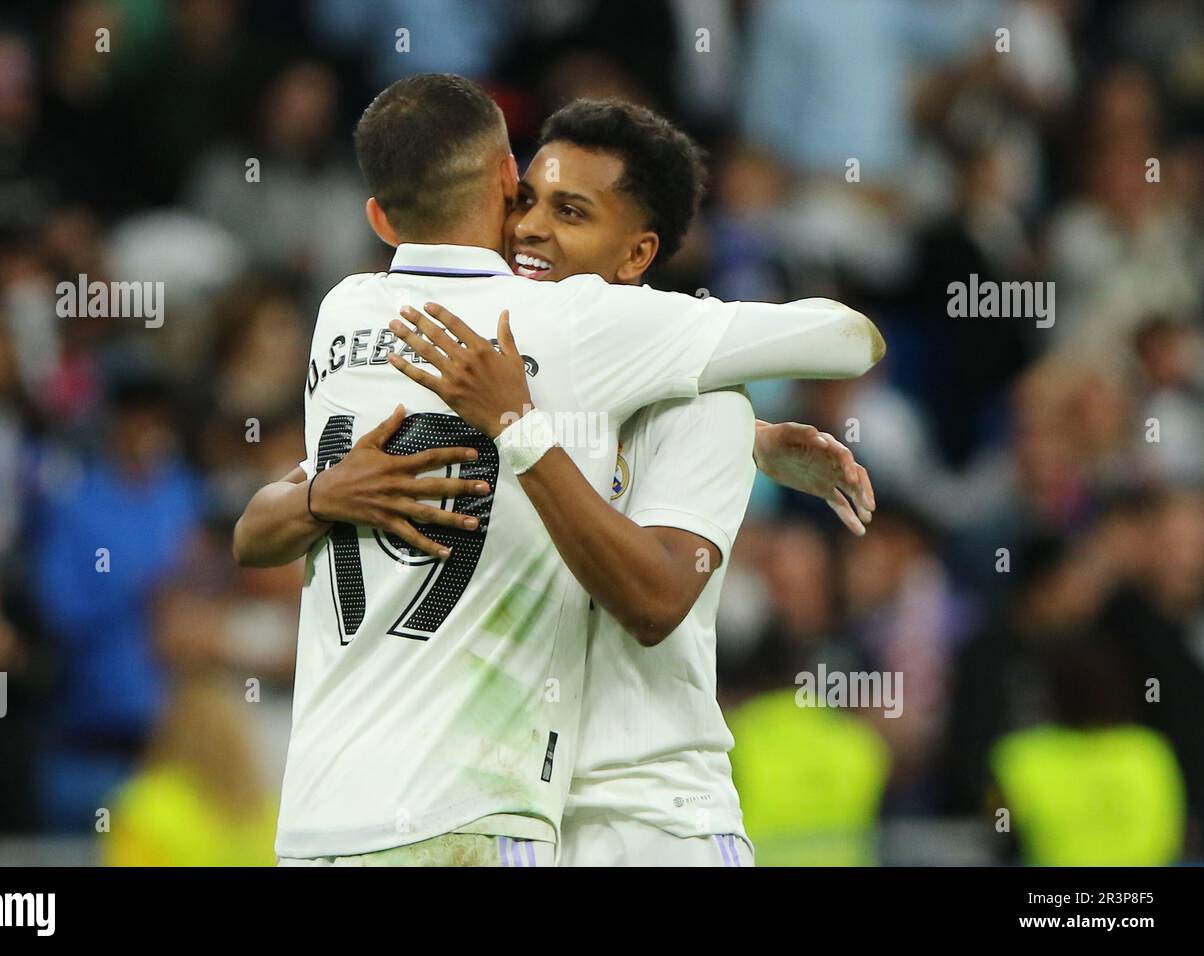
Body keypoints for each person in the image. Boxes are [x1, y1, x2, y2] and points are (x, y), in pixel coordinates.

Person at [235, 73, 884, 867]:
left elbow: (653, 601)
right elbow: (259, 526)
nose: (532, 229)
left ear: (639, 252)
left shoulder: (700, 403)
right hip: (519, 813)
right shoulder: (486, 353)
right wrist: (324, 491)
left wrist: (733, 429)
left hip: (648, 822)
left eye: (569, 212)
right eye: (527, 202)